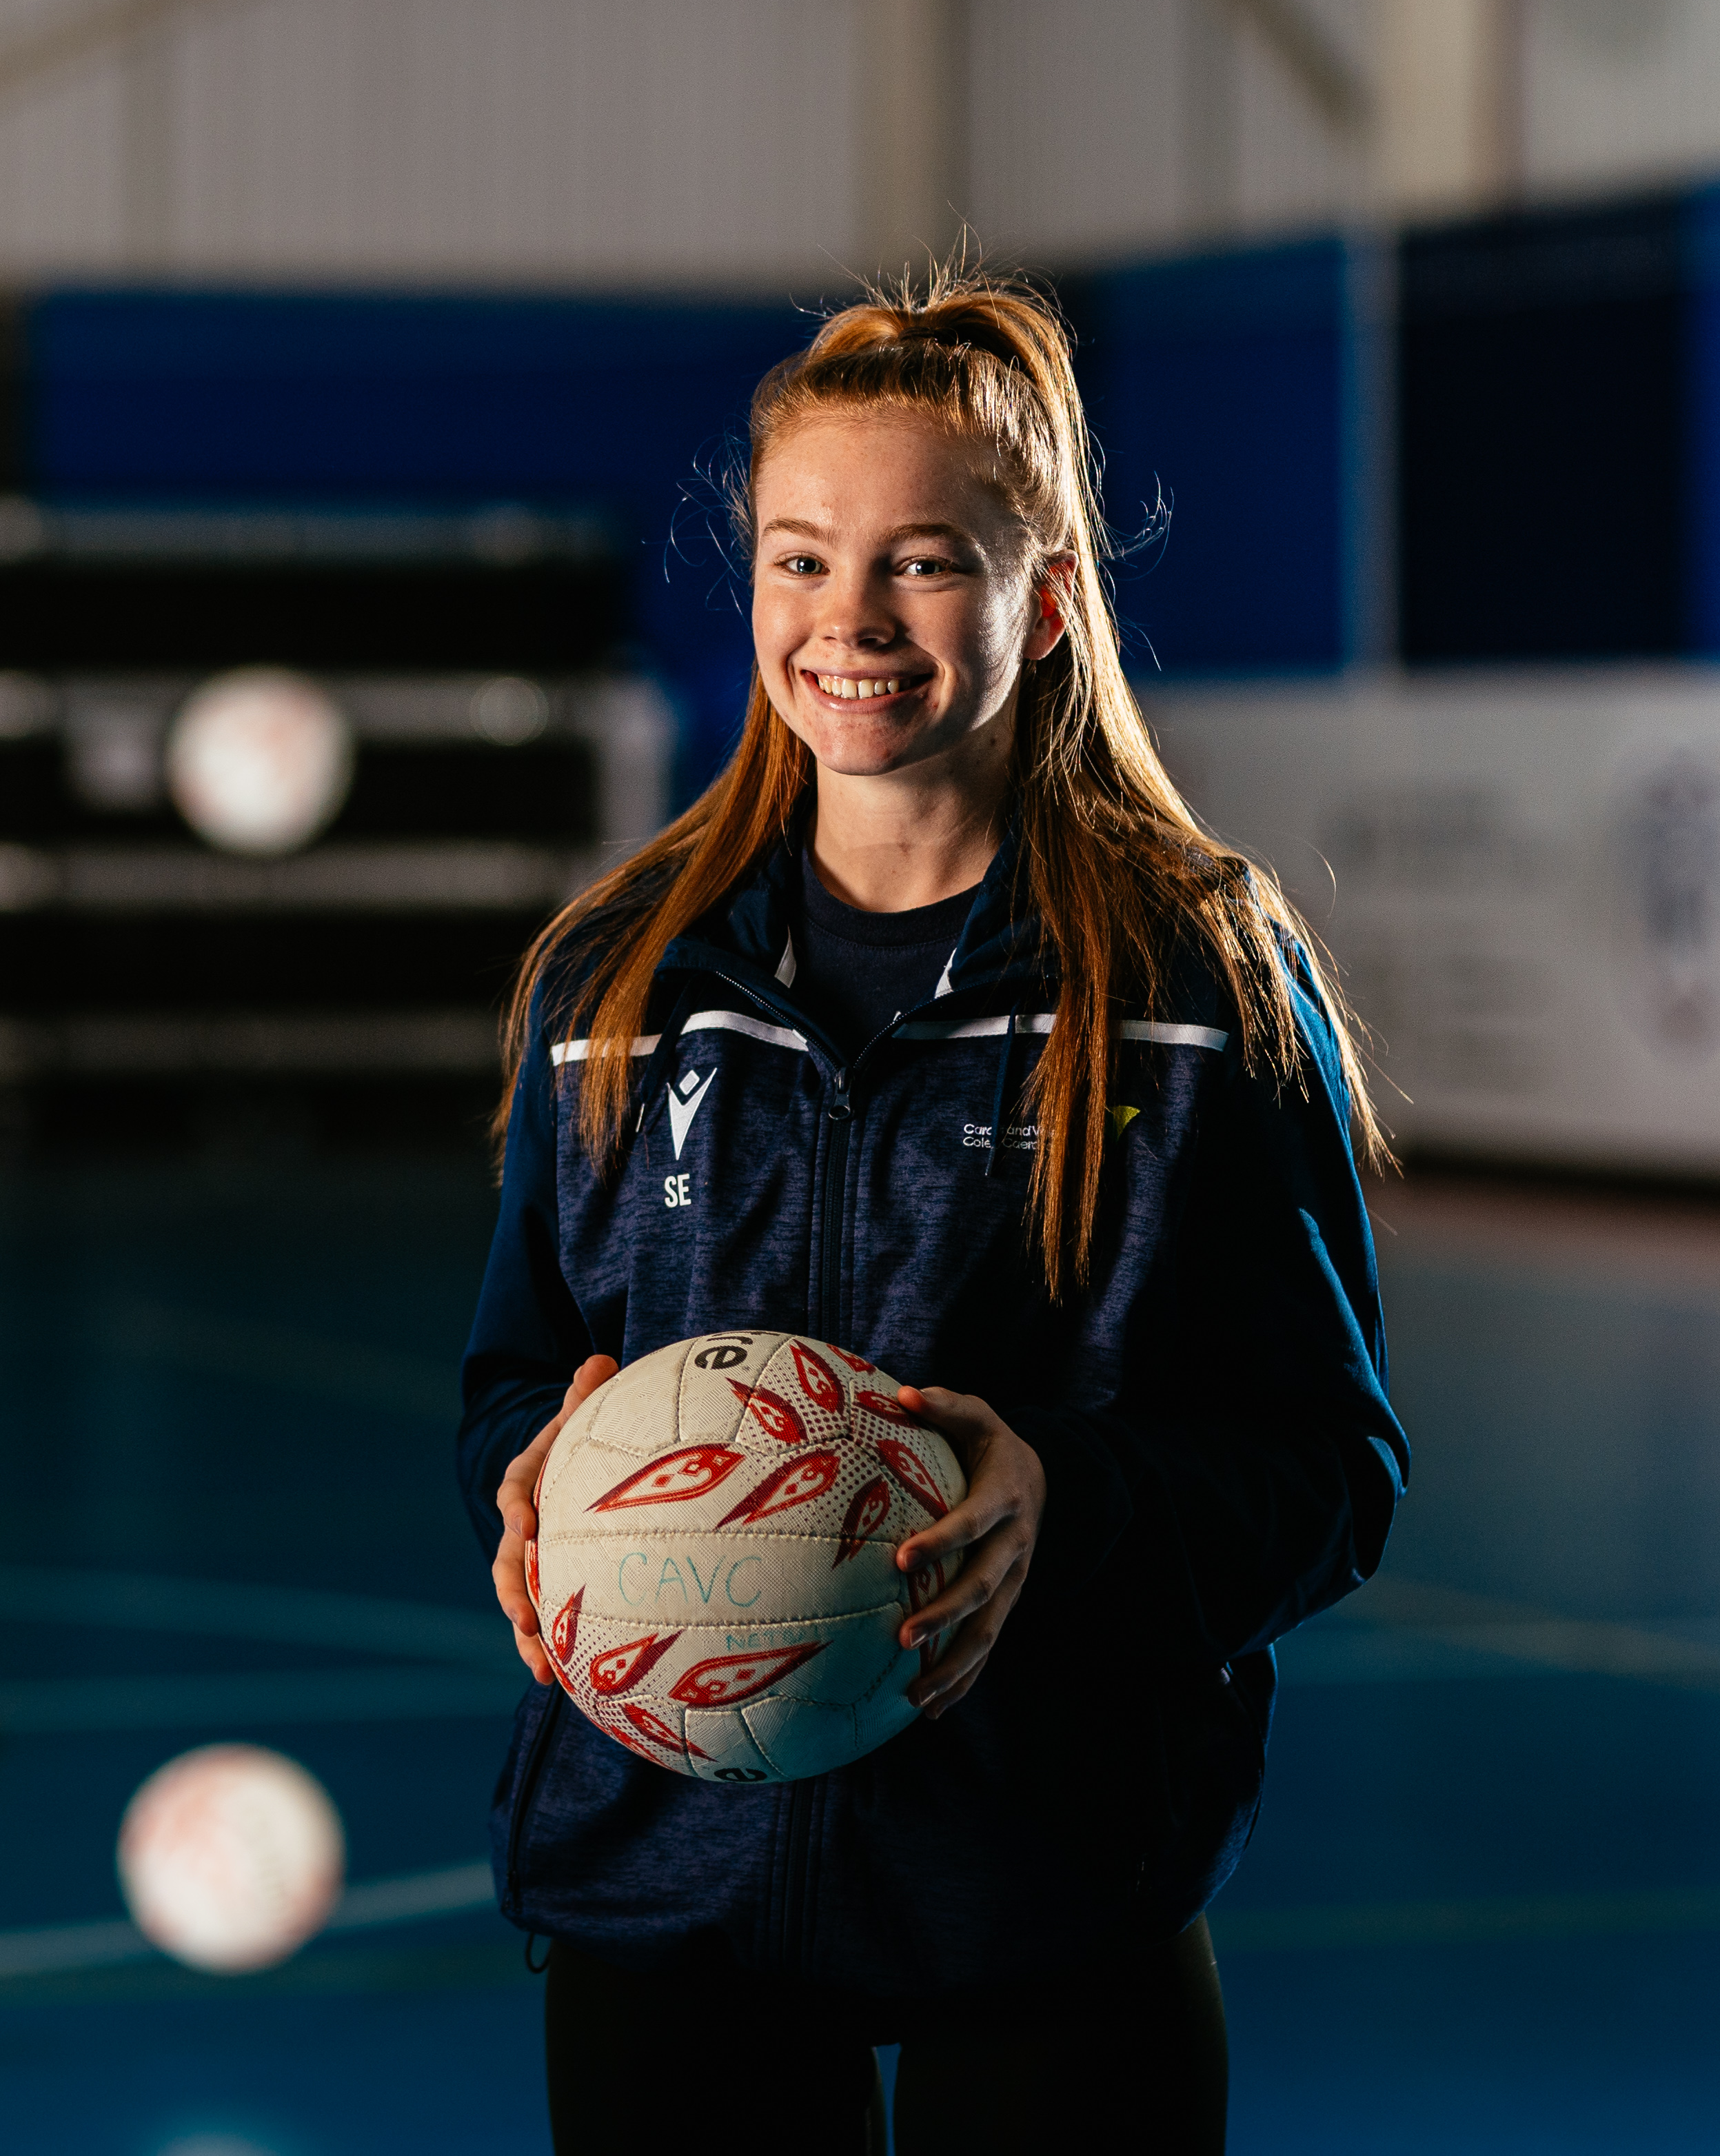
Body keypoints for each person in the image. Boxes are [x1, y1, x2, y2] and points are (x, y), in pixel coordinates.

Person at [457, 276, 1404, 2153]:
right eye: (802, 561)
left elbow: (1331, 1471)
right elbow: (510, 1373)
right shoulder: (622, 981)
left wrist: (1066, 1498)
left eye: (924, 564)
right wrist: (535, 1482)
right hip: (670, 1889)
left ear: (1045, 598)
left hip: (1053, 1898)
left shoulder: (1193, 977)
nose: (852, 623)